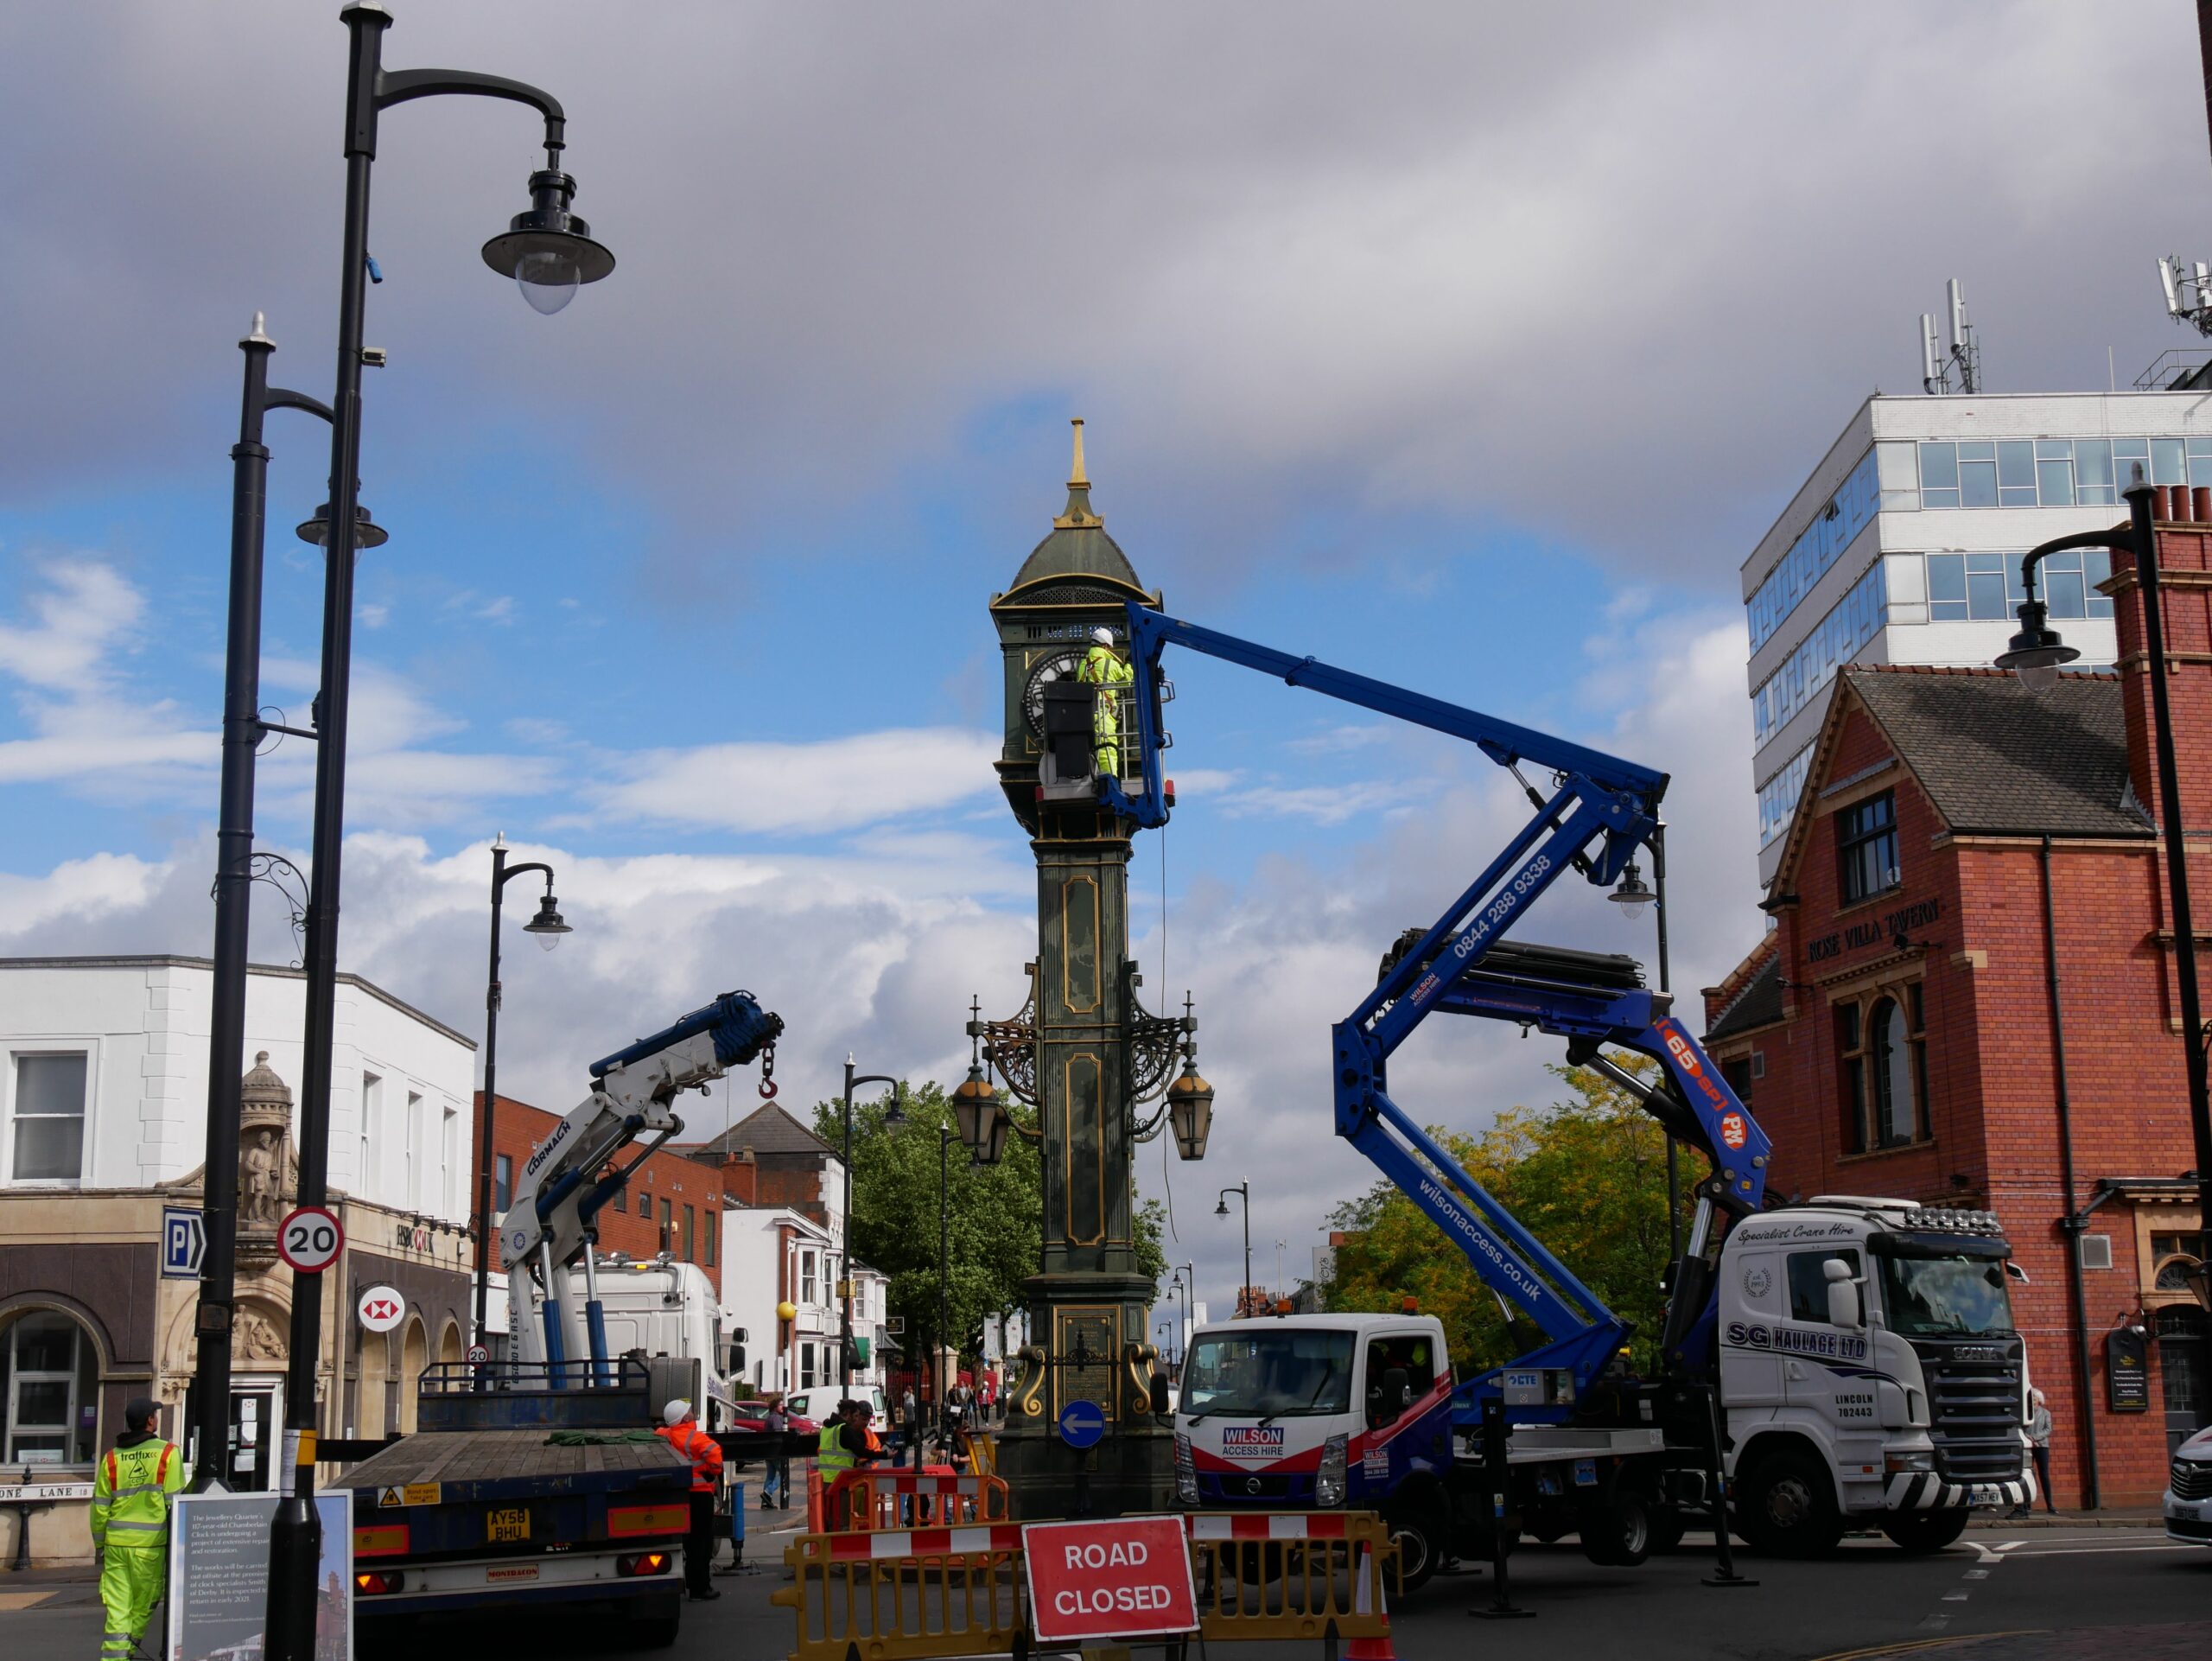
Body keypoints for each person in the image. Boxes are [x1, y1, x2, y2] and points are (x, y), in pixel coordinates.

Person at [90, 1397, 185, 1661]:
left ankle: (114, 1658)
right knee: (143, 1605)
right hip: (150, 1547)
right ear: (150, 1421)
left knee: (118, 1607)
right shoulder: (168, 1453)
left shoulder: (111, 1458)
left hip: (116, 1546)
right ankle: (125, 1653)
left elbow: (99, 1508)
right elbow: (175, 1503)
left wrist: (101, 1546)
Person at [657, 1399, 724, 1601]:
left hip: (676, 1495)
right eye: (690, 1411)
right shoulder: (698, 1439)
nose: (693, 1412)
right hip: (700, 1495)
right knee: (701, 1543)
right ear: (686, 1417)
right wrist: (710, 1472)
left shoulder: (664, 1435)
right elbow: (716, 1461)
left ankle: (689, 1584)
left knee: (685, 1542)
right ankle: (700, 1588)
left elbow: (658, 1432)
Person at [1076, 625, 1134, 778]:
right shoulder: (1110, 664)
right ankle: (1110, 780)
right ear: (1106, 645)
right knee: (1107, 748)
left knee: (1091, 748)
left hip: (1083, 714)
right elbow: (1126, 681)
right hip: (1103, 713)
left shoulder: (1083, 664)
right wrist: (1129, 664)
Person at [2012, 1386, 2058, 1518]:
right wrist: (2028, 1439)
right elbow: (2022, 1428)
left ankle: (2050, 1505)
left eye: (2034, 1398)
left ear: (2039, 1400)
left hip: (2042, 1446)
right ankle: (2027, 1504)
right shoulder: (2026, 1413)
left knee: (2044, 1474)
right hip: (2028, 1446)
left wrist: (2035, 1438)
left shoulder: (2046, 1413)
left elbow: (2048, 1429)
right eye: (2031, 1398)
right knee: (2028, 1474)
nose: (2032, 1400)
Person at [760, 1395, 790, 1510]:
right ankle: (768, 1492)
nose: (783, 1407)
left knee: (770, 1476)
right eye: (781, 1405)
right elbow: (779, 1434)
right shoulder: (776, 1418)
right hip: (776, 1451)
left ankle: (765, 1502)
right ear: (774, 1407)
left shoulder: (769, 1418)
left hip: (768, 1451)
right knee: (783, 1474)